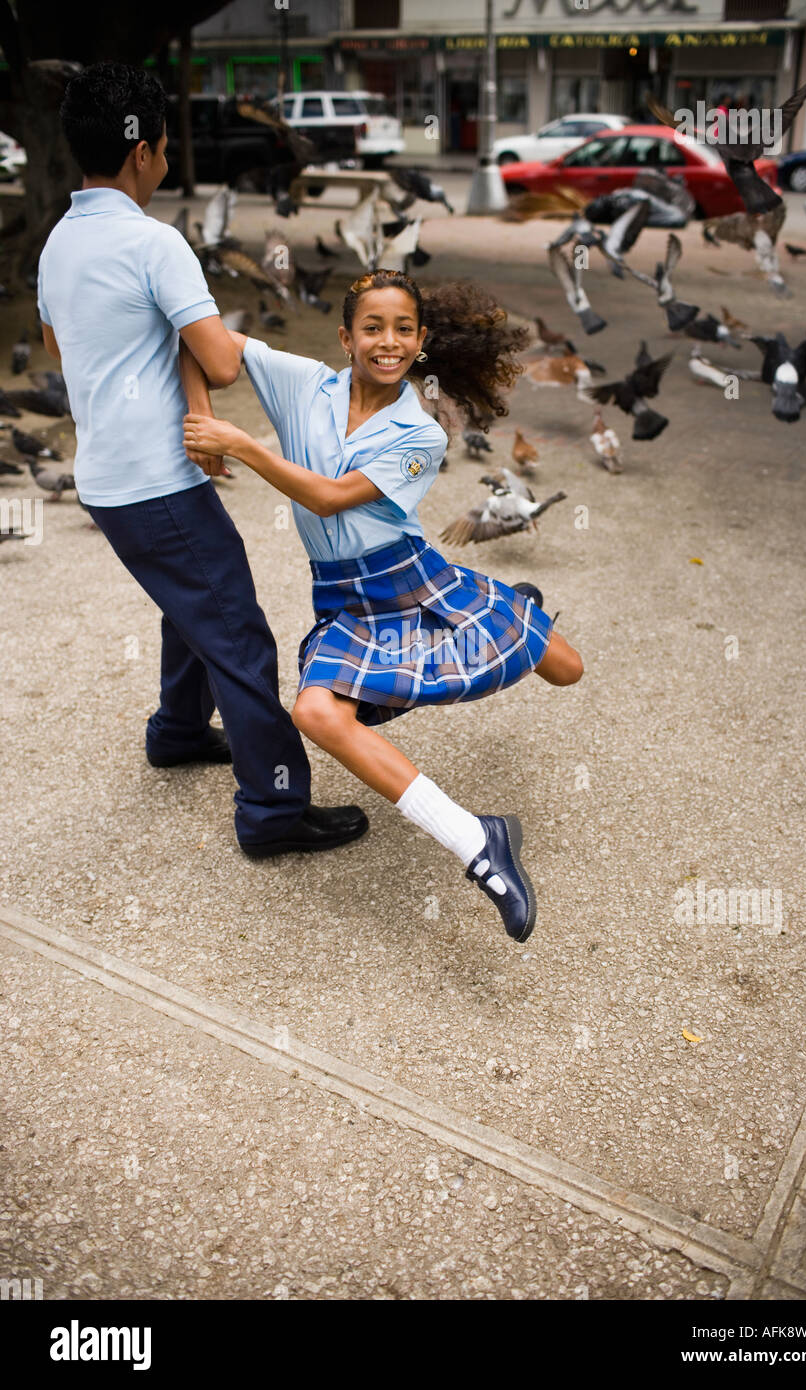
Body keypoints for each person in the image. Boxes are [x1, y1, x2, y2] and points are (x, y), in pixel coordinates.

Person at [183, 270, 584, 942]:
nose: (388, 341)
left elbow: (331, 497)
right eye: (372, 327)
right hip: (344, 597)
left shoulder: (421, 436)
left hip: (409, 578)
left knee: (567, 670)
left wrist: (242, 447)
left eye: (403, 329)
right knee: (315, 711)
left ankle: (515, 611)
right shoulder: (301, 381)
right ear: (345, 337)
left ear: (421, 340)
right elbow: (197, 339)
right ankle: (478, 840)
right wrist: (203, 431)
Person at [37, 62, 367, 857]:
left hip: (109, 478)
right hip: (156, 482)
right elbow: (220, 358)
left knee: (191, 598)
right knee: (237, 631)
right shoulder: (156, 242)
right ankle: (274, 812)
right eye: (161, 151)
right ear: (146, 151)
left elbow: (62, 349)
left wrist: (189, 402)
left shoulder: (57, 242)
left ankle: (179, 731)